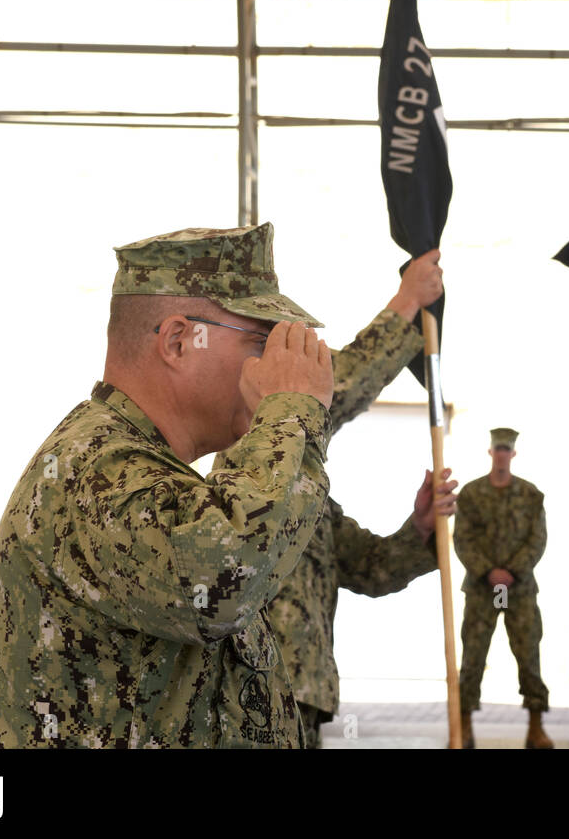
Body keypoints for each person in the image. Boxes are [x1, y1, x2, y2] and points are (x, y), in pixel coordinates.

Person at [0, 223, 334, 748]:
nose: (271, 366)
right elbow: (222, 579)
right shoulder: (96, 470)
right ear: (177, 340)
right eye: (260, 341)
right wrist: (291, 414)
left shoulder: (146, 469)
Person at [214, 249, 459, 748]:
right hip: (249, 703)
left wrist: (419, 529)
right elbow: (335, 392)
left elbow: (369, 567)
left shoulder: (301, 490)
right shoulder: (240, 475)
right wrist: (407, 302)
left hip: (302, 700)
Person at [453, 428, 551, 748]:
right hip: (484, 588)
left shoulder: (531, 495)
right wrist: (487, 571)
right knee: (473, 656)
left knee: (528, 654)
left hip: (517, 588)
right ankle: (463, 725)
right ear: (490, 451)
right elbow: (462, 538)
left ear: (513, 454)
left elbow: (537, 540)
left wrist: (511, 572)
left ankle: (536, 727)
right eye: (497, 449)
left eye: (506, 449)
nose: (501, 454)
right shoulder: (470, 494)